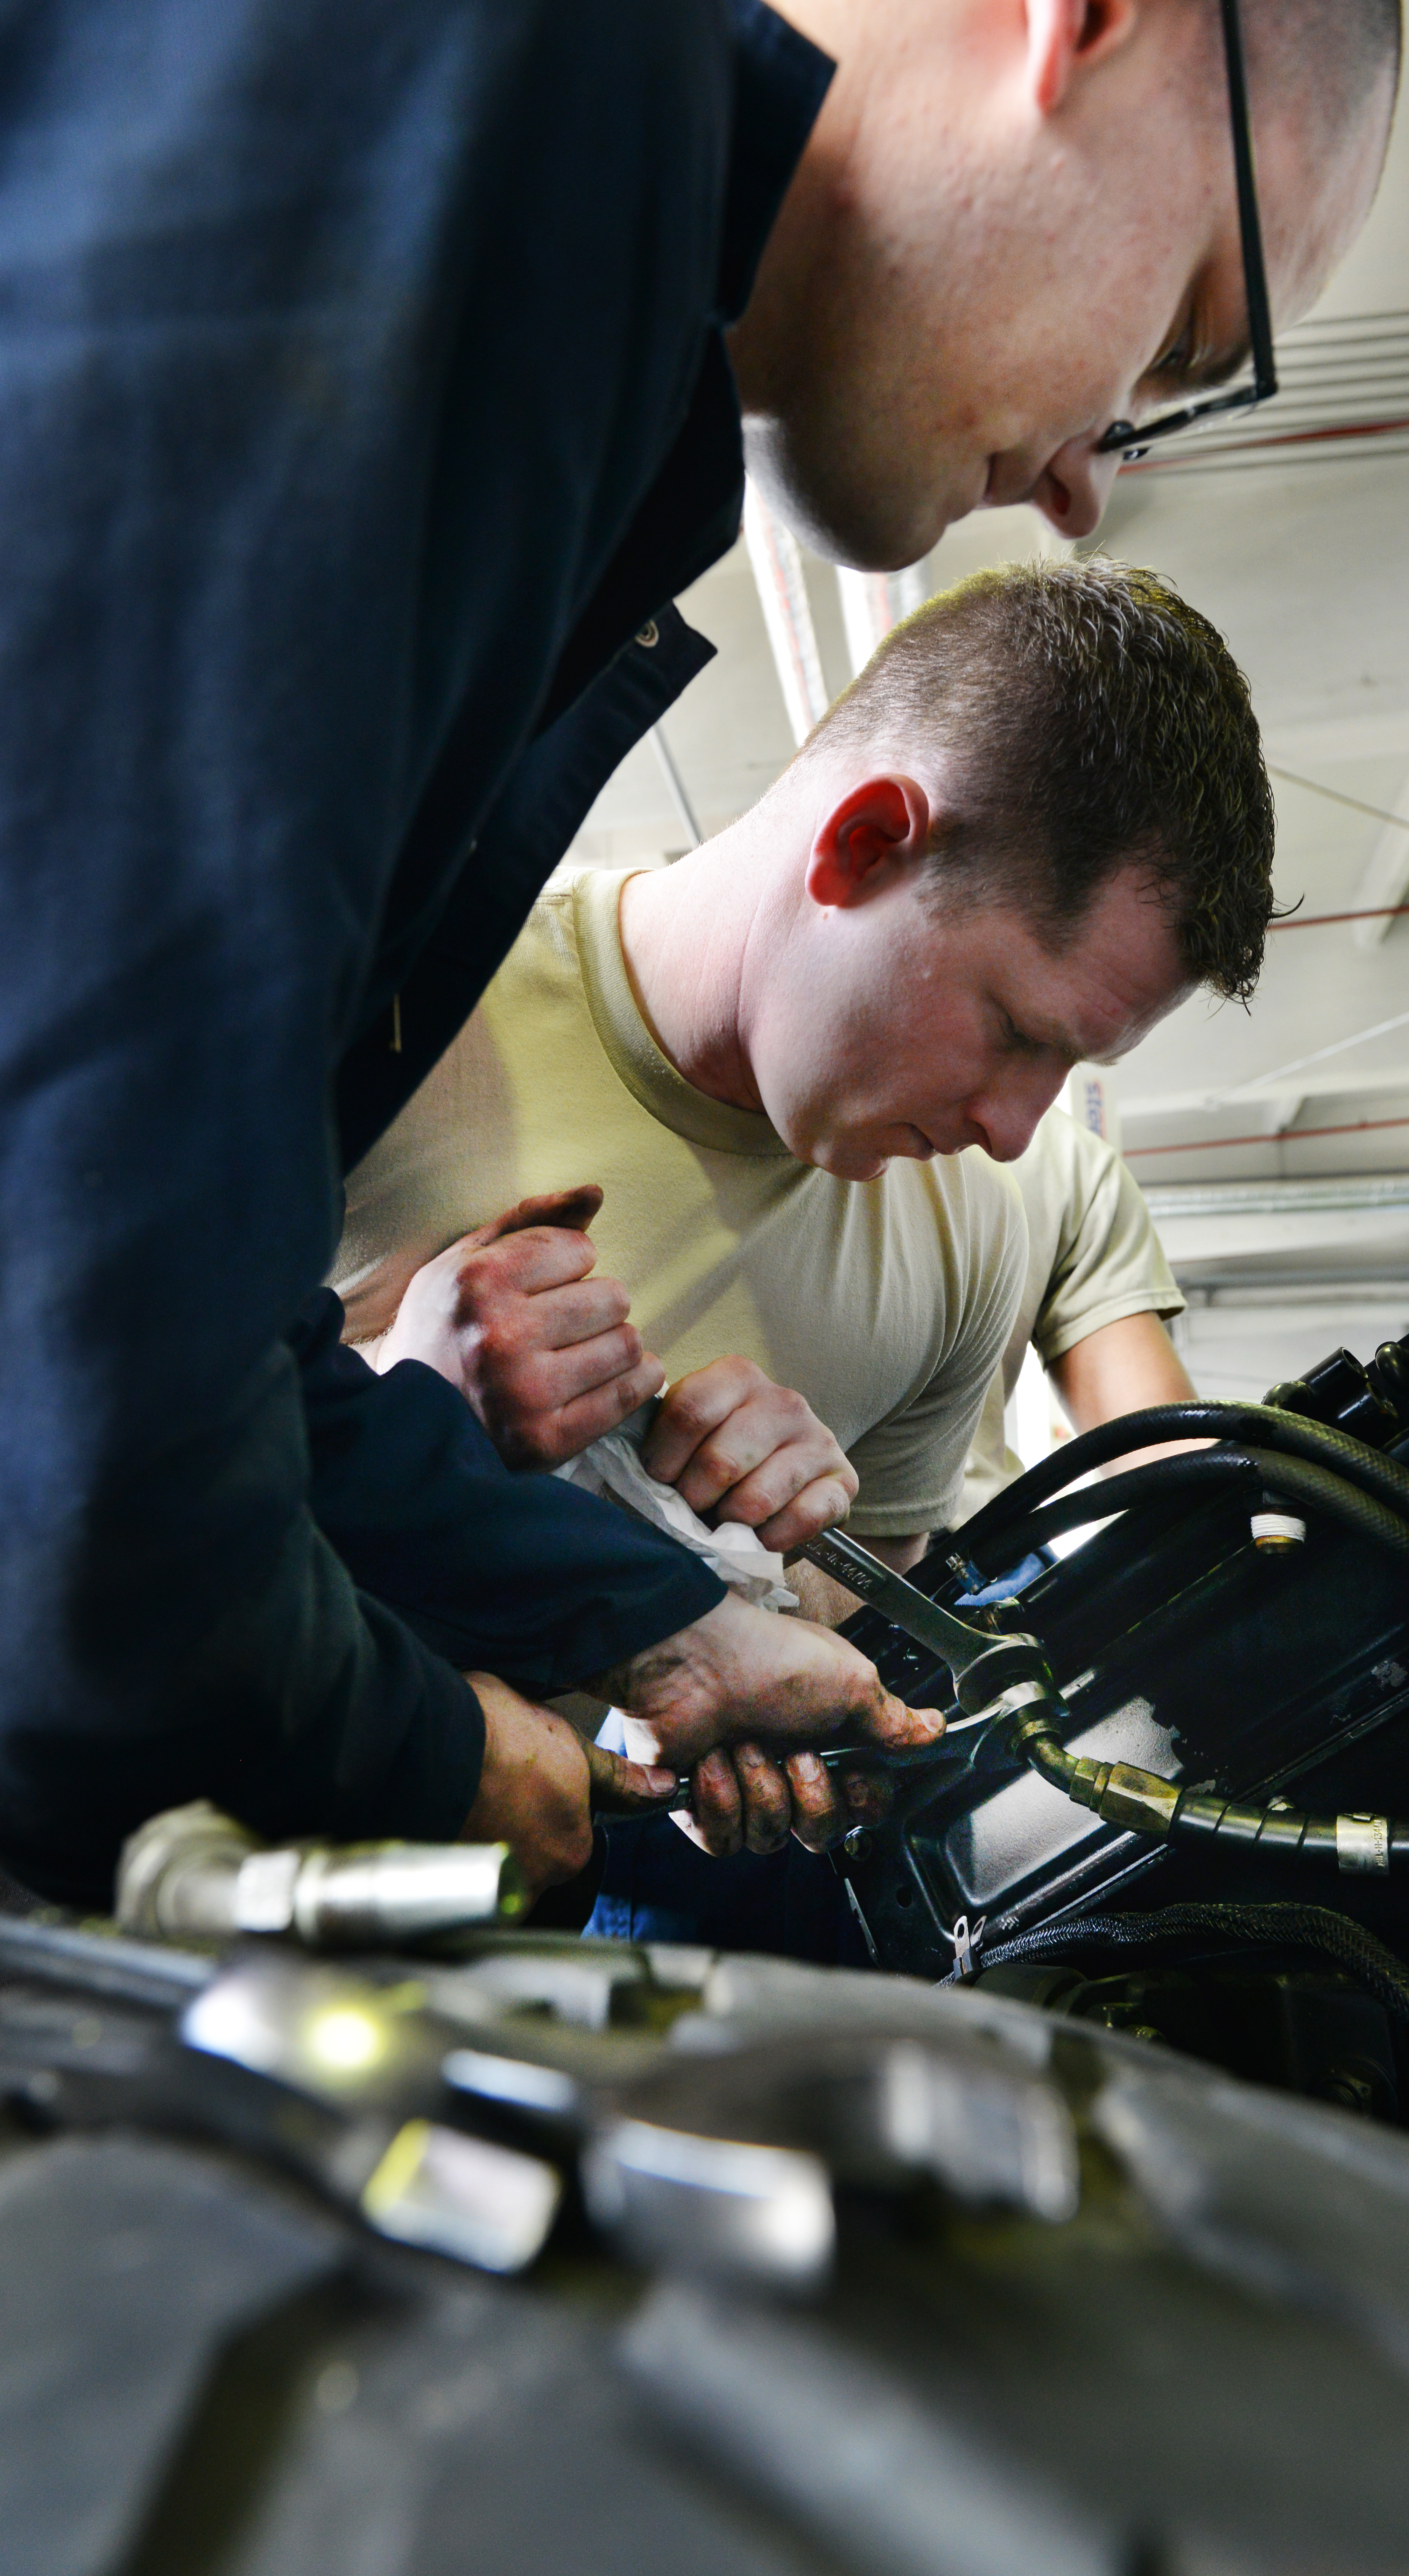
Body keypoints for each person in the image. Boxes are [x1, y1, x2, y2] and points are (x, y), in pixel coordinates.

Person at [0, 0, 1394, 1908]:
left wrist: (653, 1625)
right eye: (1180, 332)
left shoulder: (573, 342)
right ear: (1079, 24)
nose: (1088, 480)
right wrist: (452, 1752)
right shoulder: (483, 122)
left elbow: (163, 1330)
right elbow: (88, 1436)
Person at [344, 556, 1274, 1867]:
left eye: (1070, 1069)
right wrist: (401, 1405)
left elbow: (826, 1687)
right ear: (864, 845)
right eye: (1017, 1032)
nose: (1017, 1127)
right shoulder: (403, 1006)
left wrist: (770, 1580)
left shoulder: (972, 1230)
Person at [959, 1104, 1193, 1525]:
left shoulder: (1066, 1162)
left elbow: (1161, 1460)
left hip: (971, 1543)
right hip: (864, 1538)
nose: (1007, 1142)